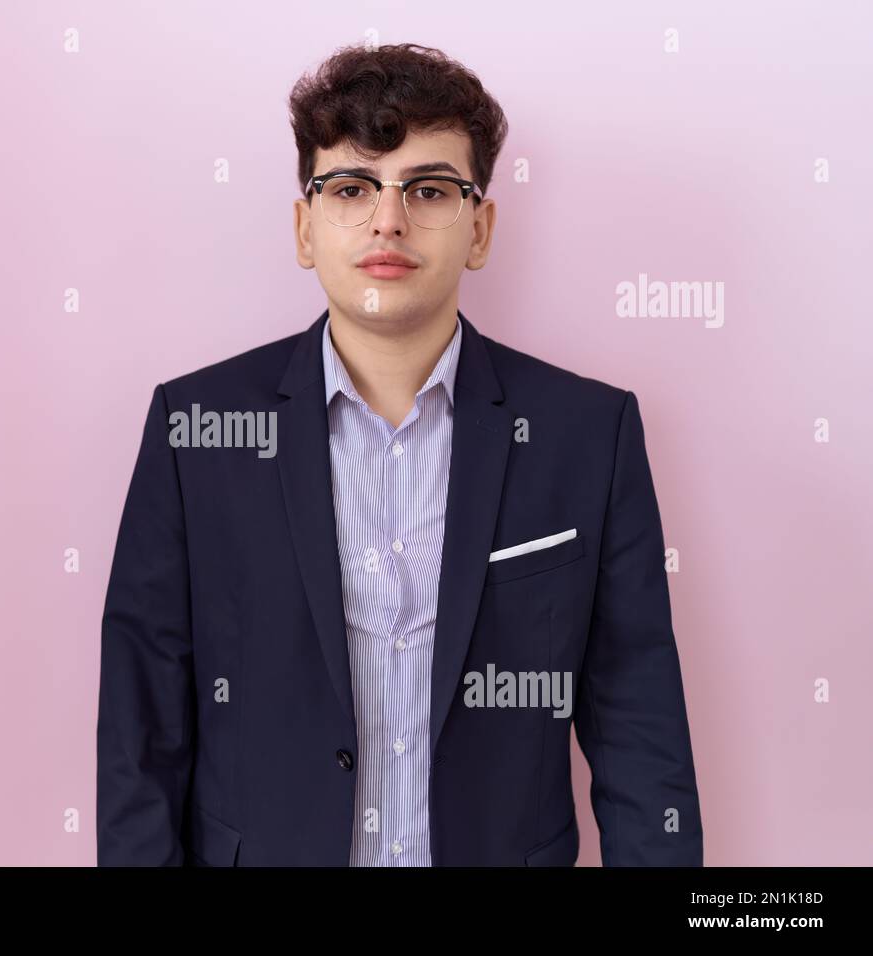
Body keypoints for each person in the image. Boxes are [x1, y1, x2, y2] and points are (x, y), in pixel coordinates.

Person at [97, 42, 702, 866]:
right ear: (305, 228)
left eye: (428, 189)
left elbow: (640, 729)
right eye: (350, 188)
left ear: (480, 227)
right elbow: (143, 731)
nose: (388, 219)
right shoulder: (196, 430)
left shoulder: (588, 434)